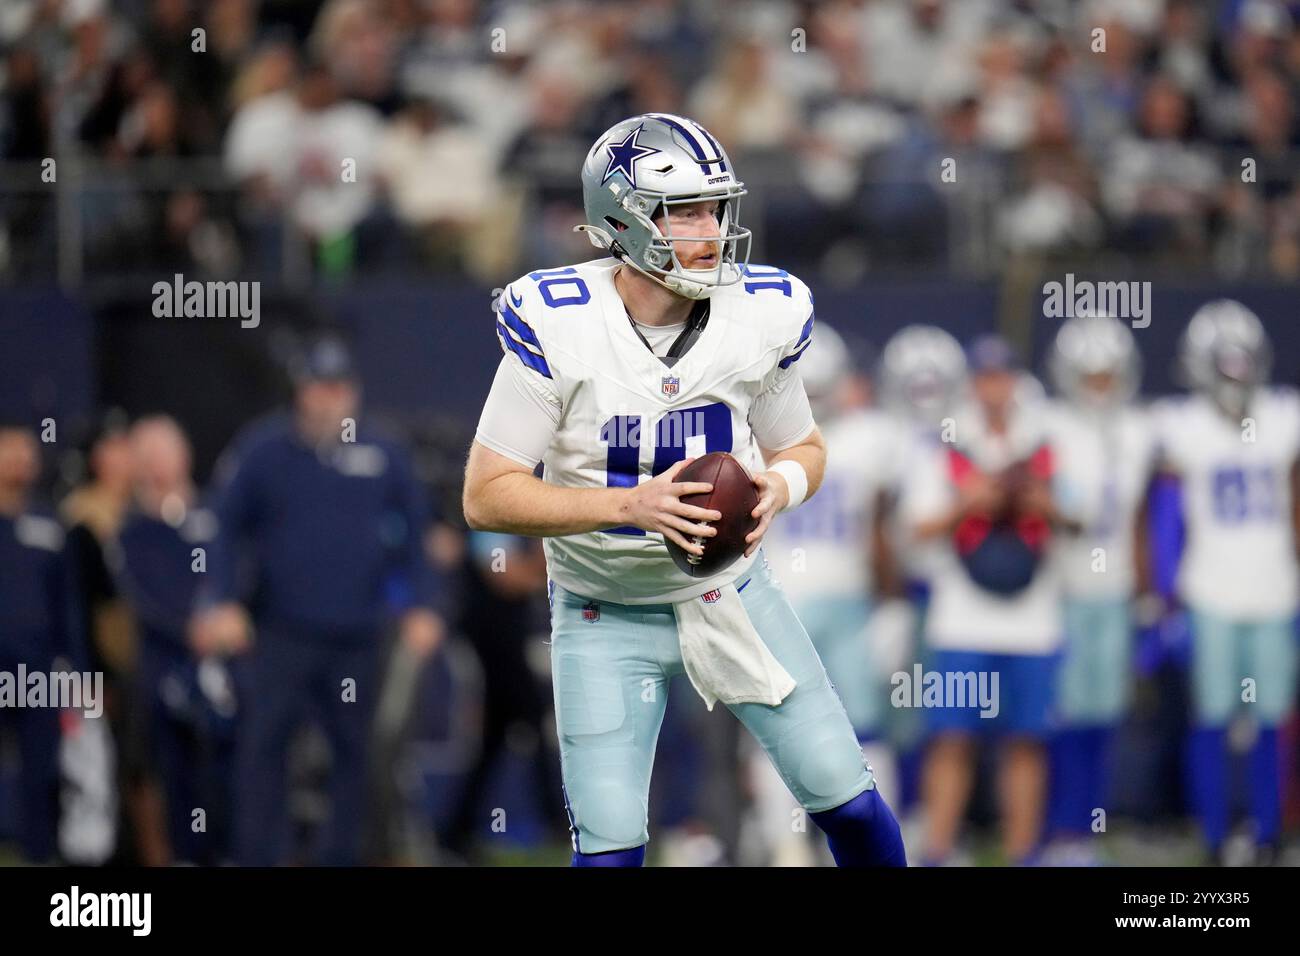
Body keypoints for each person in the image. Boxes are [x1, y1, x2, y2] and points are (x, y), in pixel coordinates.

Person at [461, 113, 906, 867]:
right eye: (685, 211)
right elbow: (486, 495)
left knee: (852, 803)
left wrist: (780, 487)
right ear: (621, 220)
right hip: (604, 610)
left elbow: (803, 446)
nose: (709, 229)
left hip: (730, 593)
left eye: (714, 208)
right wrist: (626, 505)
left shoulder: (755, 315)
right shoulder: (563, 323)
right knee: (610, 853)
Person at [194, 336, 446, 865]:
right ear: (300, 391)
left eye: (337, 387)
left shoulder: (383, 452)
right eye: (317, 387)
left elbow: (418, 534)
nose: (327, 399)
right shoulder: (264, 449)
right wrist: (220, 599)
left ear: (352, 392)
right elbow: (223, 526)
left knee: (356, 755)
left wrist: (424, 604)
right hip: (282, 633)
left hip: (357, 635)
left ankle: (341, 858)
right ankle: (259, 856)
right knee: (264, 749)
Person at [902, 335, 1068, 865]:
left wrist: (1038, 500)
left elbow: (1082, 515)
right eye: (985, 377)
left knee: (1027, 740)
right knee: (952, 738)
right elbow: (919, 527)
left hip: (1032, 618)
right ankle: (938, 850)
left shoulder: (1047, 437)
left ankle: (1023, 850)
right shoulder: (948, 442)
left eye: (1003, 376)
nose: (994, 388)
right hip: (962, 620)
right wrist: (968, 501)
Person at [1152, 300, 1299, 865]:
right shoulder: (1181, 425)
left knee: (1269, 719)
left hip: (1276, 588)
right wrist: (1162, 596)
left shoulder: (1286, 414)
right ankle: (1215, 837)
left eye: (1243, 363)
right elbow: (1166, 518)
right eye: (1225, 364)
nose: (1235, 376)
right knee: (1212, 718)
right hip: (1208, 590)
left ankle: (1266, 834)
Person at [754, 322, 903, 865]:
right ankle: (787, 844)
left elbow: (881, 532)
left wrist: (892, 605)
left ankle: (880, 836)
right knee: (775, 726)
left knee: (864, 725)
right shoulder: (753, 434)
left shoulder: (870, 437)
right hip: (774, 598)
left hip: (848, 602)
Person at [1042, 315, 1155, 863]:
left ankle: (1087, 828)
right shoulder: (1050, 425)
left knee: (1105, 713)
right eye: (1090, 375)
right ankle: (1060, 830)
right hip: (1062, 588)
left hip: (1116, 589)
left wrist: (1149, 590)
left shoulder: (1140, 430)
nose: (1100, 386)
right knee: (1062, 713)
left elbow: (1139, 517)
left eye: (1108, 375)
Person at [112, 415, 235, 864]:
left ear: (184, 455)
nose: (156, 464)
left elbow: (235, 574)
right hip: (162, 668)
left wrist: (224, 620)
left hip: (224, 667)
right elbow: (142, 594)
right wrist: (190, 629)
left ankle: (224, 851)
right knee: (167, 770)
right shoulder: (133, 530)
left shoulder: (217, 516)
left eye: (164, 452)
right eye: (146, 456)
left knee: (228, 767)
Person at [0, 421, 83, 862]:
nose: (18, 460)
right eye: (8, 450)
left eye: (25, 451)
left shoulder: (48, 524)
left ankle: (39, 855)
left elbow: (66, 603)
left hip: (36, 668)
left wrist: (77, 670)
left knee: (42, 771)